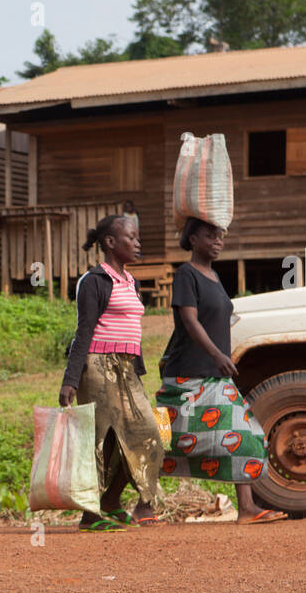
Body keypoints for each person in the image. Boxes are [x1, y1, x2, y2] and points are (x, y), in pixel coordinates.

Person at [156, 217, 286, 523]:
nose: (218, 241)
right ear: (193, 239)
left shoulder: (214, 275)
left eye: (220, 236)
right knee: (161, 441)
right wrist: (217, 354)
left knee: (249, 433)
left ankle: (247, 508)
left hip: (215, 377)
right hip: (186, 375)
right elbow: (189, 321)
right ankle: (143, 504)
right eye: (210, 236)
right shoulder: (186, 275)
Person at [59, 215, 164, 530]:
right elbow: (84, 331)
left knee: (149, 436)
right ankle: (90, 516)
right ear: (110, 243)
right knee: (101, 442)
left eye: (136, 237)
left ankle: (113, 502)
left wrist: (137, 372)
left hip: (126, 370)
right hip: (97, 368)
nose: (137, 243)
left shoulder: (132, 281)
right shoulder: (93, 281)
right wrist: (70, 380)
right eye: (130, 238)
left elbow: (132, 330)